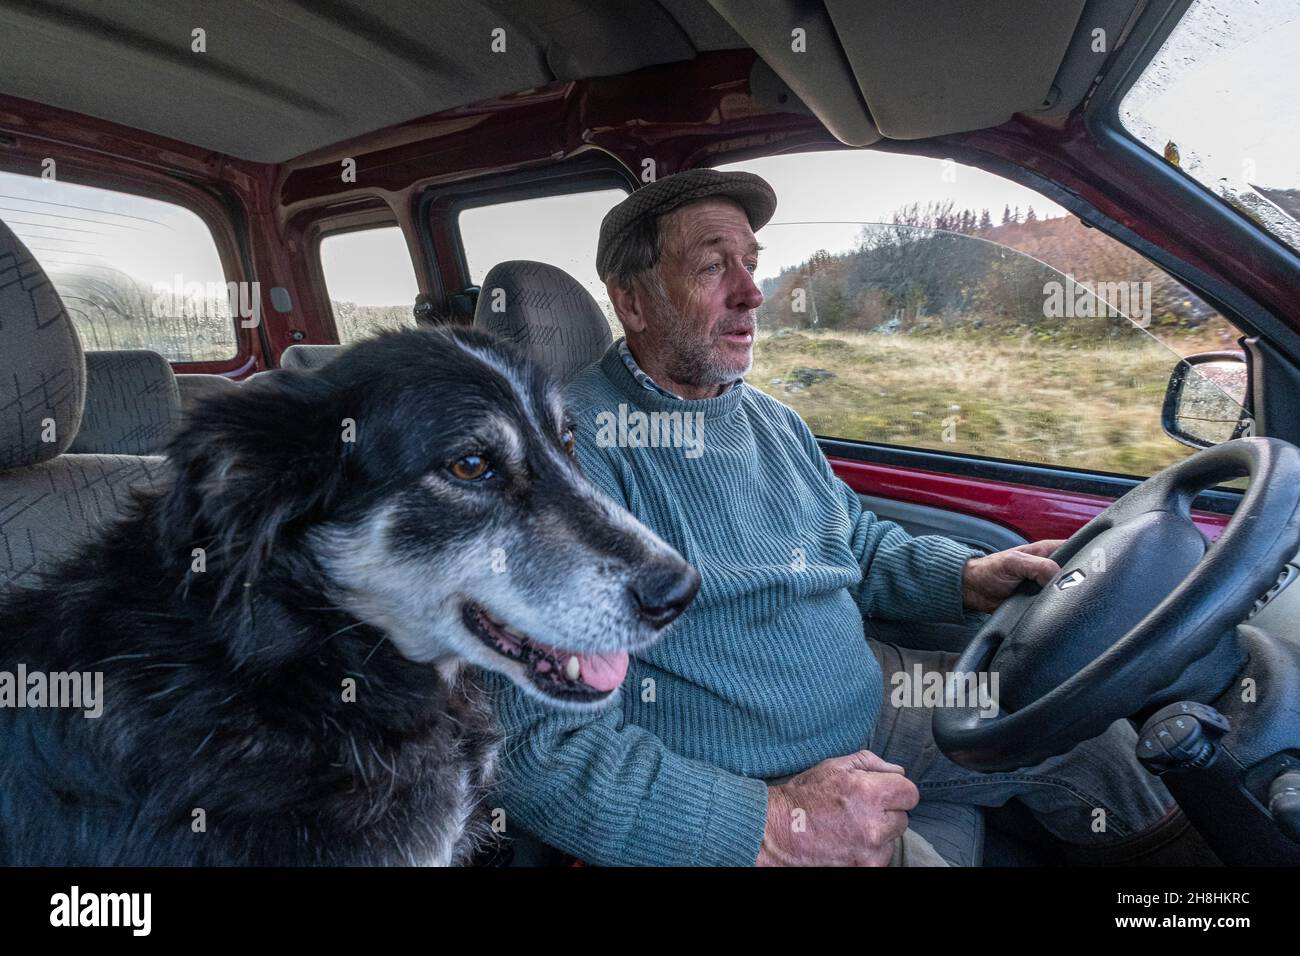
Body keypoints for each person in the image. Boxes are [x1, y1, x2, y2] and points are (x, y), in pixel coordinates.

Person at [481, 169, 1190, 866]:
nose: (751, 293)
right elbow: (541, 751)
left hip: (872, 697)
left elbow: (855, 542)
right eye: (710, 267)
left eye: (752, 263)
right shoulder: (566, 464)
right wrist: (774, 827)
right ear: (633, 302)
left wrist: (971, 577)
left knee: (1082, 725)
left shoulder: (769, 419)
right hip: (754, 776)